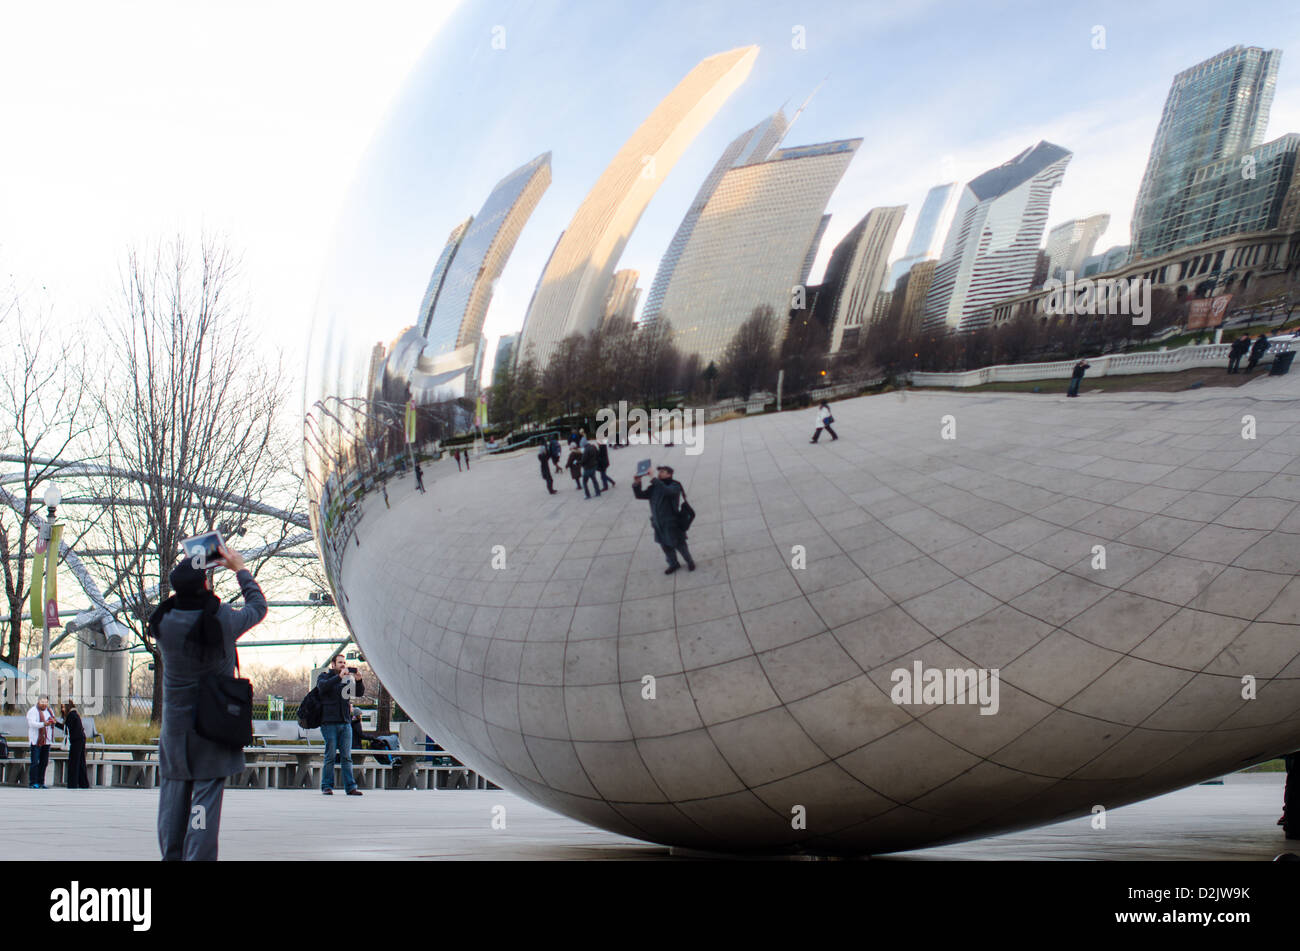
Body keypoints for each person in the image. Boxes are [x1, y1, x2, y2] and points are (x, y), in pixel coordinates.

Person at [150, 544, 267, 860]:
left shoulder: (162, 622)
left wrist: (190, 568)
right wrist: (239, 569)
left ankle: (171, 855)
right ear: (204, 585)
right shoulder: (223, 619)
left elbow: (180, 597)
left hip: (175, 731)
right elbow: (257, 607)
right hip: (213, 726)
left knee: (173, 798)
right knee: (204, 803)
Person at [317, 653, 366, 796]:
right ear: (333, 664)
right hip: (329, 722)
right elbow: (323, 688)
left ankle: (350, 787)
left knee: (346, 756)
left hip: (345, 722)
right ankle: (326, 786)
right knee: (330, 755)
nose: (343, 665)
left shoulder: (347, 679)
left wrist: (358, 680)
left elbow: (358, 693)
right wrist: (338, 677)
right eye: (340, 662)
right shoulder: (325, 677)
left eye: (344, 662)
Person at [633, 465, 695, 574]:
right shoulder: (654, 487)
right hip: (658, 523)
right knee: (665, 546)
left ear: (669, 474)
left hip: (672, 523)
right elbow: (640, 495)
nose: (659, 473)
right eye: (659, 472)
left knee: (680, 545)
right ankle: (673, 564)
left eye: (662, 471)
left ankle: (690, 561)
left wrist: (653, 479)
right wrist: (637, 483)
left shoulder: (675, 485)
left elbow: (667, 491)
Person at [26, 696, 58, 788]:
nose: (44, 704)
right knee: (35, 762)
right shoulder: (33, 711)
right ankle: (33, 782)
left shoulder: (49, 711)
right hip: (36, 740)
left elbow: (52, 721)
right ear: (38, 701)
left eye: (46, 702)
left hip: (46, 741)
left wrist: (52, 722)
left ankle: (41, 782)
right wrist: (43, 724)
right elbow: (32, 724)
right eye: (42, 702)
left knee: (44, 762)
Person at [61, 700, 89, 789]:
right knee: (80, 762)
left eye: (63, 707)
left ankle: (72, 784)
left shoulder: (71, 715)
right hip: (80, 739)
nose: (62, 709)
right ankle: (83, 783)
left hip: (76, 741)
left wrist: (55, 723)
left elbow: (66, 727)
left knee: (74, 762)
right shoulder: (74, 714)